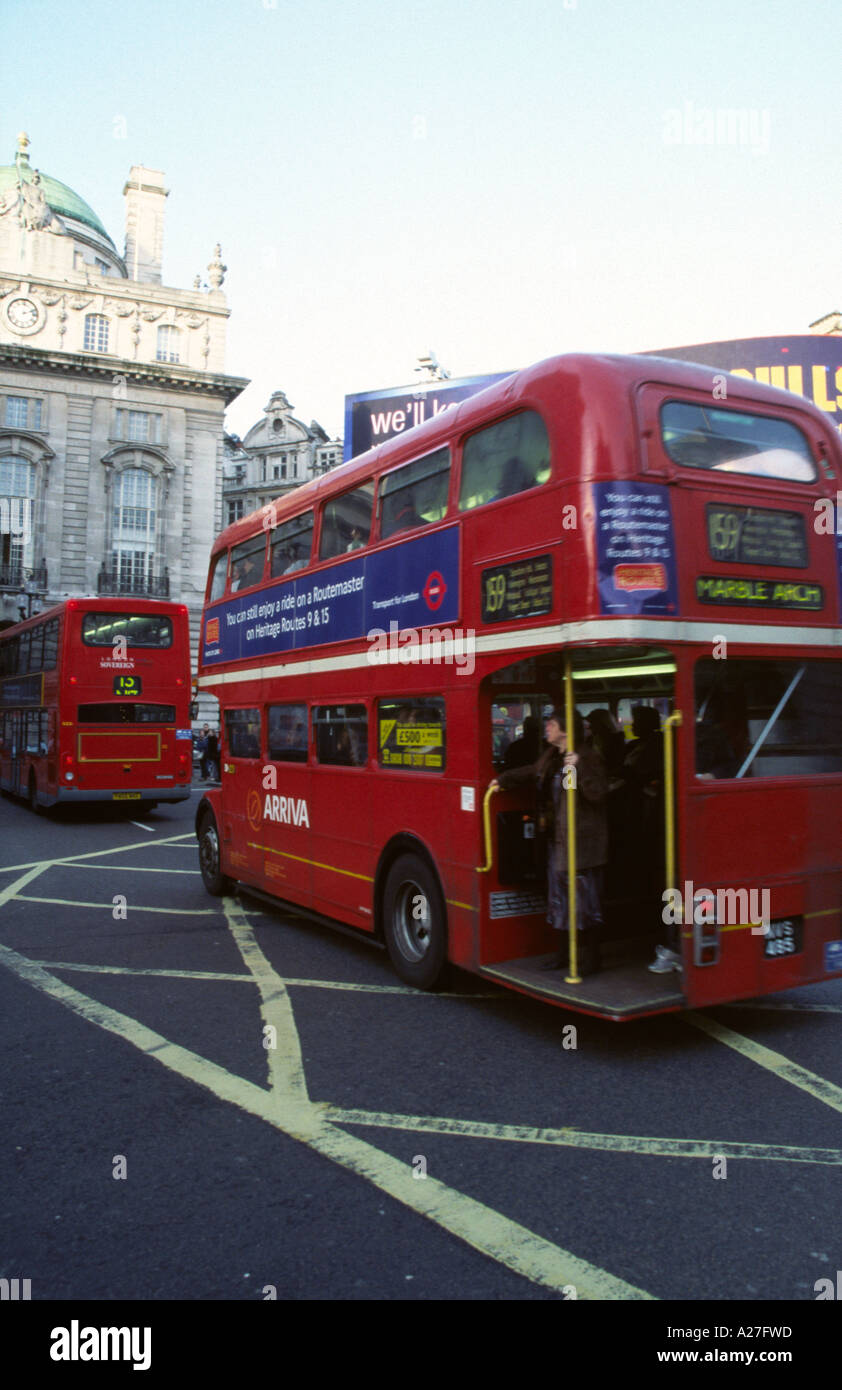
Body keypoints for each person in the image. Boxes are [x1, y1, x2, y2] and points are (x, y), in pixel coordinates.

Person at [491, 708, 608, 976]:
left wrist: (576, 769)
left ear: (565, 730)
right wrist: (502, 780)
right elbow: (534, 771)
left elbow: (598, 795)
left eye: (552, 724)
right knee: (560, 898)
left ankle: (591, 958)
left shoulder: (588, 758)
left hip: (582, 843)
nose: (547, 728)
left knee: (586, 901)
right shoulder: (552, 756)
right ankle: (563, 954)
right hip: (558, 839)